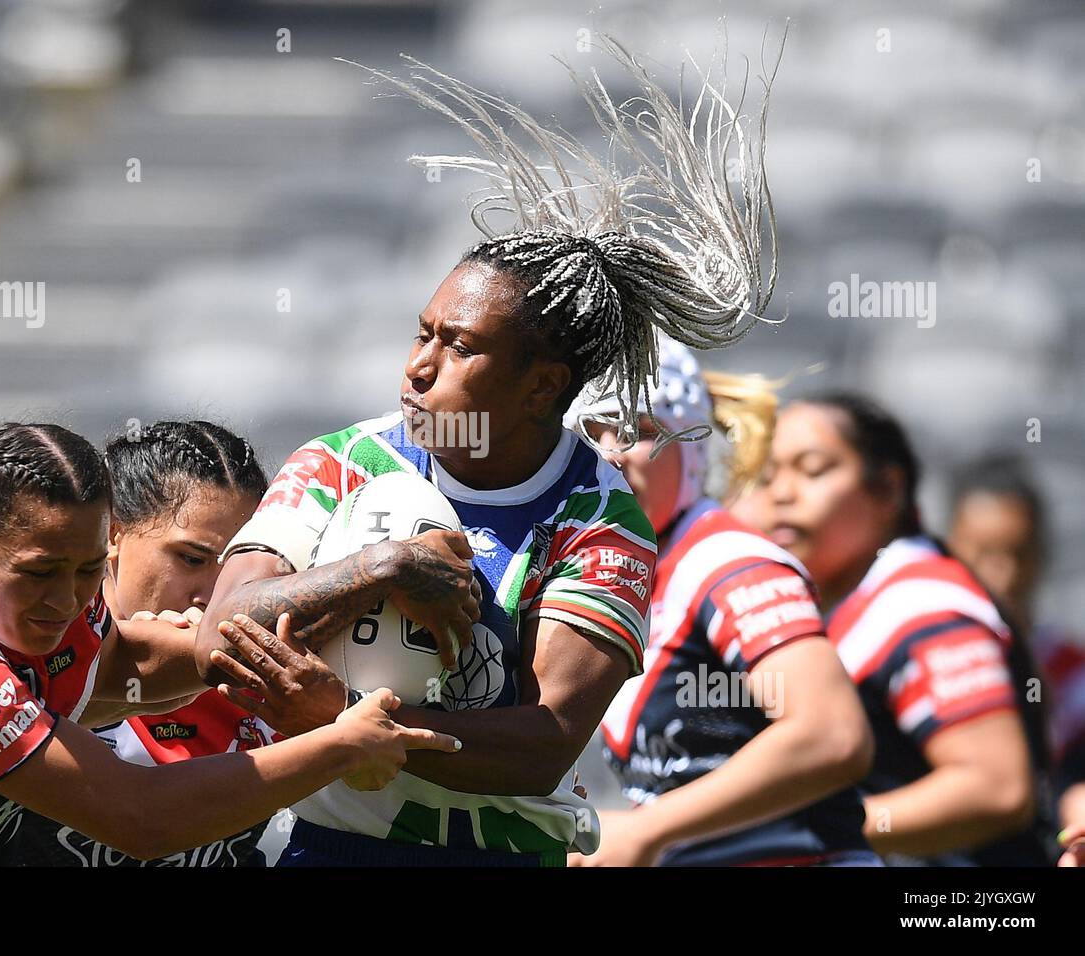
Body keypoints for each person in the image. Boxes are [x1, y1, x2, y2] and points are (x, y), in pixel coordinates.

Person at [194, 35, 782, 865]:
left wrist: (346, 721)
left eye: (460, 346)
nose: (419, 367)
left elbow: (543, 740)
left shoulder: (599, 517)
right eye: (422, 333)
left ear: (542, 386)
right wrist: (382, 568)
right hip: (324, 849)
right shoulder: (344, 460)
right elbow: (218, 634)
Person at [0, 421, 456, 866]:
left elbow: (119, 663)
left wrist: (373, 576)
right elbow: (141, 818)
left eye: (85, 571)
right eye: (41, 573)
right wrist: (341, 745)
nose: (69, 600)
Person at [566, 340, 877, 866]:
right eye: (588, 434)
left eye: (638, 431)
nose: (609, 454)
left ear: (691, 454)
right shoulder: (639, 573)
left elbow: (833, 734)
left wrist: (647, 832)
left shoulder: (728, 563)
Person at [749, 394, 1054, 865]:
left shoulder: (920, 604)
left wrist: (803, 834)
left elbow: (997, 788)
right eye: (769, 476)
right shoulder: (853, 602)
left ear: (889, 490)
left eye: (811, 470)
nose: (782, 493)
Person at [20, 419, 282, 867]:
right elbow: (145, 823)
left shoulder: (270, 670)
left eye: (236, 568)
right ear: (111, 534)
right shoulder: (21, 660)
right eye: (192, 558)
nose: (213, 594)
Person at [946, 453, 1085, 867]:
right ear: (950, 547)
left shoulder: (1072, 674)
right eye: (983, 552)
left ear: (1041, 554)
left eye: (1018, 553)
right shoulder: (920, 660)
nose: (1003, 574)